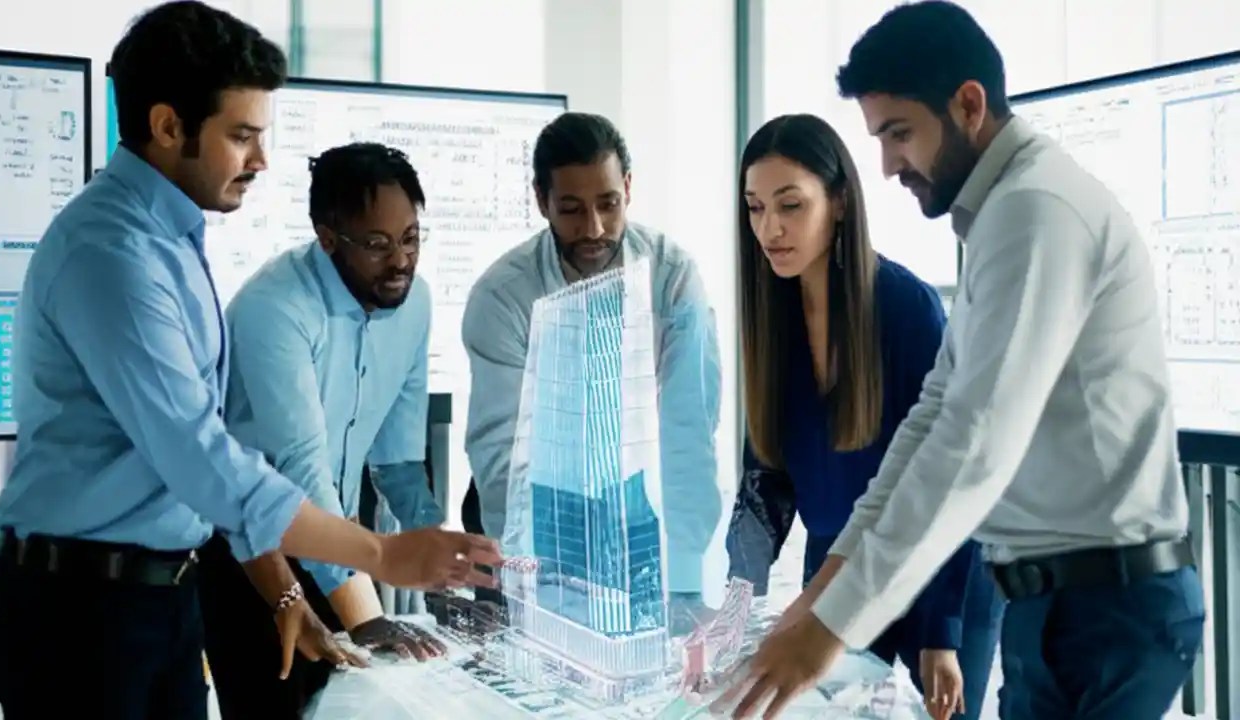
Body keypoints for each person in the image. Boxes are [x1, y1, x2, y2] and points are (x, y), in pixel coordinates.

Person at [0, 4, 499, 718]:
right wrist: (378, 552)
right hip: (79, 614)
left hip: (158, 598)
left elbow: (210, 465)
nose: (260, 160)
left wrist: (286, 594)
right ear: (167, 127)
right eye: (242, 135)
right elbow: (202, 460)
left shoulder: (174, 240)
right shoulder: (114, 255)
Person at [717, 3, 1204, 719]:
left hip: (1111, 605)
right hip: (1054, 603)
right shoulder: (999, 218)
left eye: (898, 133)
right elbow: (931, 424)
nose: (886, 165)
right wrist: (819, 598)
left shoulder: (1036, 212)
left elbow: (972, 445)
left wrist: (829, 627)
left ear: (968, 104)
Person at [725, 113, 1002, 720]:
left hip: (938, 568)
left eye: (790, 205)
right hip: (838, 565)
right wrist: (735, 602)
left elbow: (950, 474)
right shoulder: (772, 321)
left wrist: (942, 633)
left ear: (841, 204)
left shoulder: (907, 309)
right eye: (755, 208)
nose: (769, 228)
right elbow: (764, 479)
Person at [197, 142, 449, 719]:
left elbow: (398, 458)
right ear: (328, 236)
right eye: (378, 245)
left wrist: (443, 563)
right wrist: (363, 612)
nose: (401, 261)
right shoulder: (276, 306)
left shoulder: (416, 302)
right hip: (254, 556)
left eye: (410, 238)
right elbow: (304, 469)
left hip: (336, 545)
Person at [462, 111, 723, 631]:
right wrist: (530, 586)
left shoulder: (672, 277)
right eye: (572, 210)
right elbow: (503, 458)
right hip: (530, 501)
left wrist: (688, 583)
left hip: (637, 496)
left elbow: (689, 432)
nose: (594, 229)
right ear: (542, 201)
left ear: (627, 188)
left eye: (609, 204)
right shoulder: (502, 297)